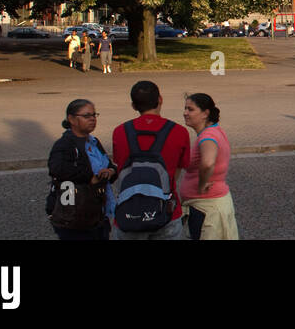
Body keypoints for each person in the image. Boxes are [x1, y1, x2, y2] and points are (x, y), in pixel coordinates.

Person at [111, 80, 191, 239]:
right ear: (160, 99)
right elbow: (177, 171)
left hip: (129, 209)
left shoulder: (120, 131)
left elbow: (120, 165)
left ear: (133, 105)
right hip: (166, 209)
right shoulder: (179, 132)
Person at [47, 98, 115, 240]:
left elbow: (108, 164)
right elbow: (57, 169)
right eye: (86, 116)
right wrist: (91, 177)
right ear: (71, 119)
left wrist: (111, 171)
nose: (92, 119)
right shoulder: (64, 144)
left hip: (97, 214)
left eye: (94, 115)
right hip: (74, 216)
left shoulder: (94, 142)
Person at [180, 93, 239, 240]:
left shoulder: (208, 136)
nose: (185, 113)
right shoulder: (214, 131)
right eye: (185, 108)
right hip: (209, 206)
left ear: (205, 113)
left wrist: (202, 183)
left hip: (207, 209)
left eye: (190, 109)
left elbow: (208, 163)